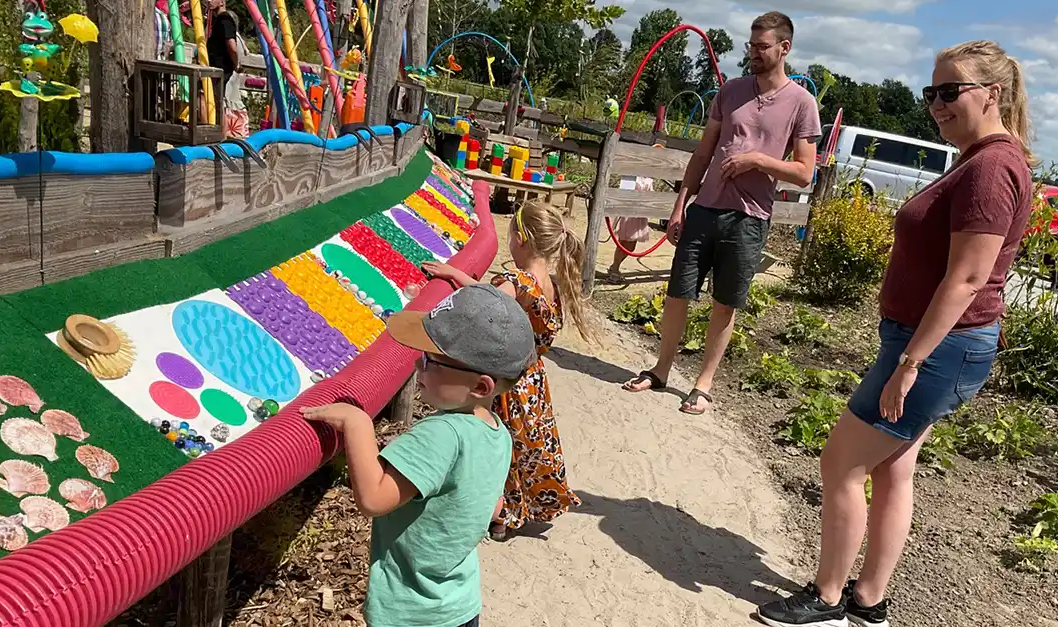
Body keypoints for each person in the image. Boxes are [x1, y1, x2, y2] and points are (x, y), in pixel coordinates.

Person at [755, 40, 1035, 627]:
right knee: (894, 465)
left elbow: (967, 278)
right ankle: (869, 600)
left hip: (938, 349)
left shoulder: (991, 167)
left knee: (842, 464)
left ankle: (828, 598)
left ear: (994, 94)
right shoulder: (981, 160)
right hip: (934, 344)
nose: (936, 103)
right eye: (930, 92)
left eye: (950, 91)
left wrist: (910, 363)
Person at [302, 283, 534, 627]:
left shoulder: (442, 434)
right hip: (459, 604)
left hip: (414, 613)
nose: (417, 364)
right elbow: (493, 505)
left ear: (480, 386)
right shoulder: (497, 433)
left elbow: (374, 498)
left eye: (430, 361)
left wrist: (357, 424)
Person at [622, 11, 820, 415]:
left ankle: (703, 383)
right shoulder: (730, 92)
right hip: (705, 207)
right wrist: (680, 205)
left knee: (725, 303)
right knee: (678, 293)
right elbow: (703, 153)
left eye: (762, 47)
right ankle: (660, 370)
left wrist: (756, 161)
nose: (754, 53)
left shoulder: (802, 103)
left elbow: (803, 172)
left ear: (785, 48)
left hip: (749, 217)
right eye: (751, 45)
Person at [423, 201, 594, 541]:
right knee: (529, 444)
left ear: (522, 240)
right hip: (532, 381)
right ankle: (523, 506)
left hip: (507, 379)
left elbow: (487, 310)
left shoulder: (518, 281)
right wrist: (462, 279)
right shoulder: (552, 287)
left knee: (504, 444)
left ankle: (501, 512)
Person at [206, 0, 240, 87]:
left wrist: (236, 64)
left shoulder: (225, 20)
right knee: (206, 95)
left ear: (222, 2)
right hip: (213, 68)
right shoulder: (217, 19)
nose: (209, 1)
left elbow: (231, 45)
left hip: (219, 69)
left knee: (207, 96)